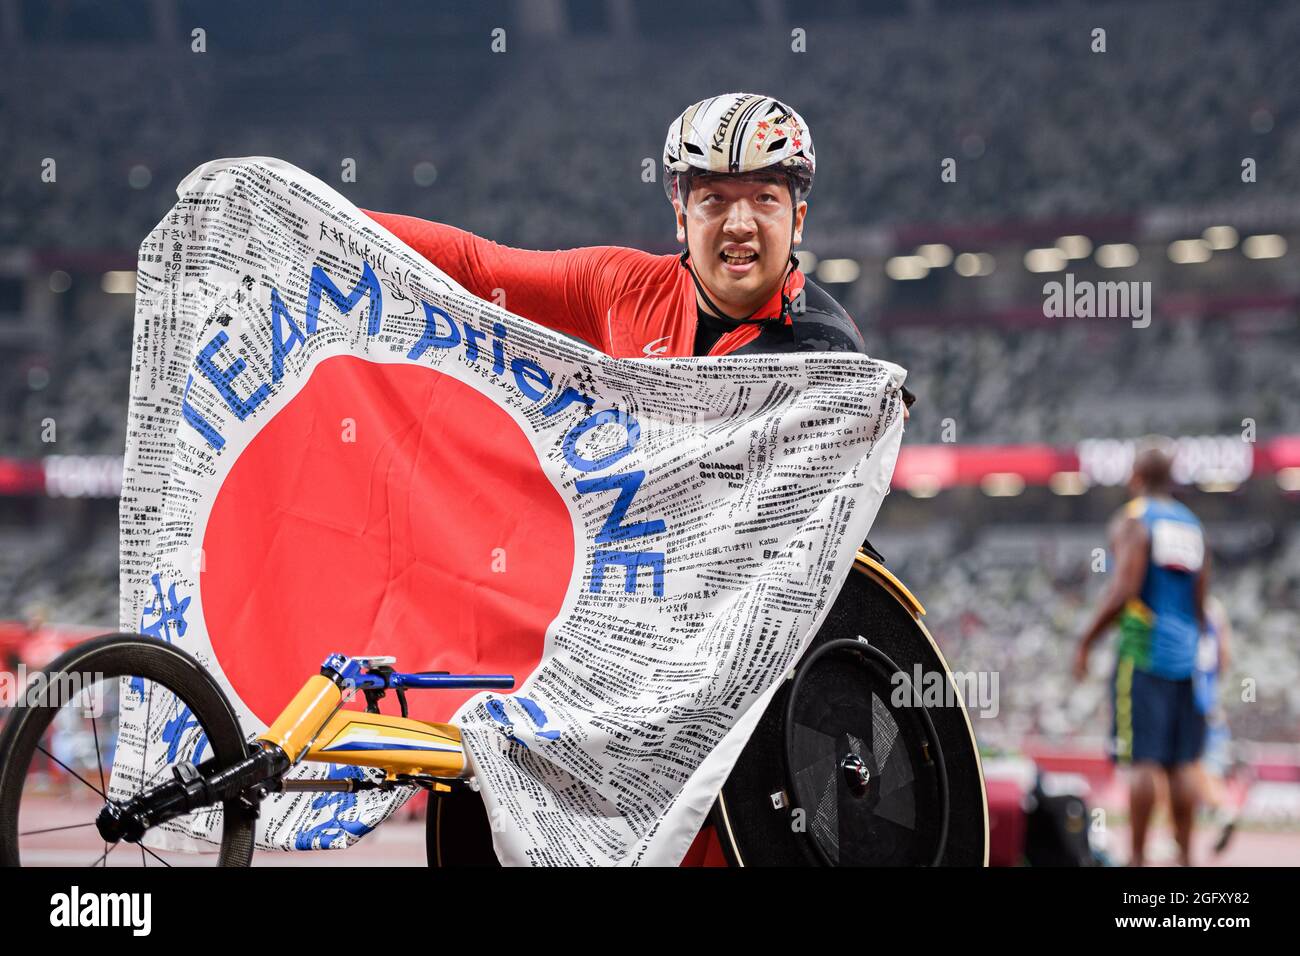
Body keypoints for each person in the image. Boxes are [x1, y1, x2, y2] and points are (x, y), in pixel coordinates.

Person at [362, 92, 913, 391]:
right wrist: (312, 211)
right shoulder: (621, 286)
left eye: (765, 198)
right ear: (681, 217)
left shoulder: (826, 351)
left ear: (797, 221)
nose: (740, 222)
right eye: (713, 199)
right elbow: (479, 267)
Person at [1073, 444, 1210, 866]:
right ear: (1170, 480)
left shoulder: (1135, 520)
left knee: (1143, 761)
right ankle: (1186, 856)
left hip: (1143, 654)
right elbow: (1201, 602)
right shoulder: (1192, 526)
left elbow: (1125, 588)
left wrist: (1087, 640)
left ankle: (1137, 857)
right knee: (1183, 763)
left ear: (1135, 477)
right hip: (1186, 658)